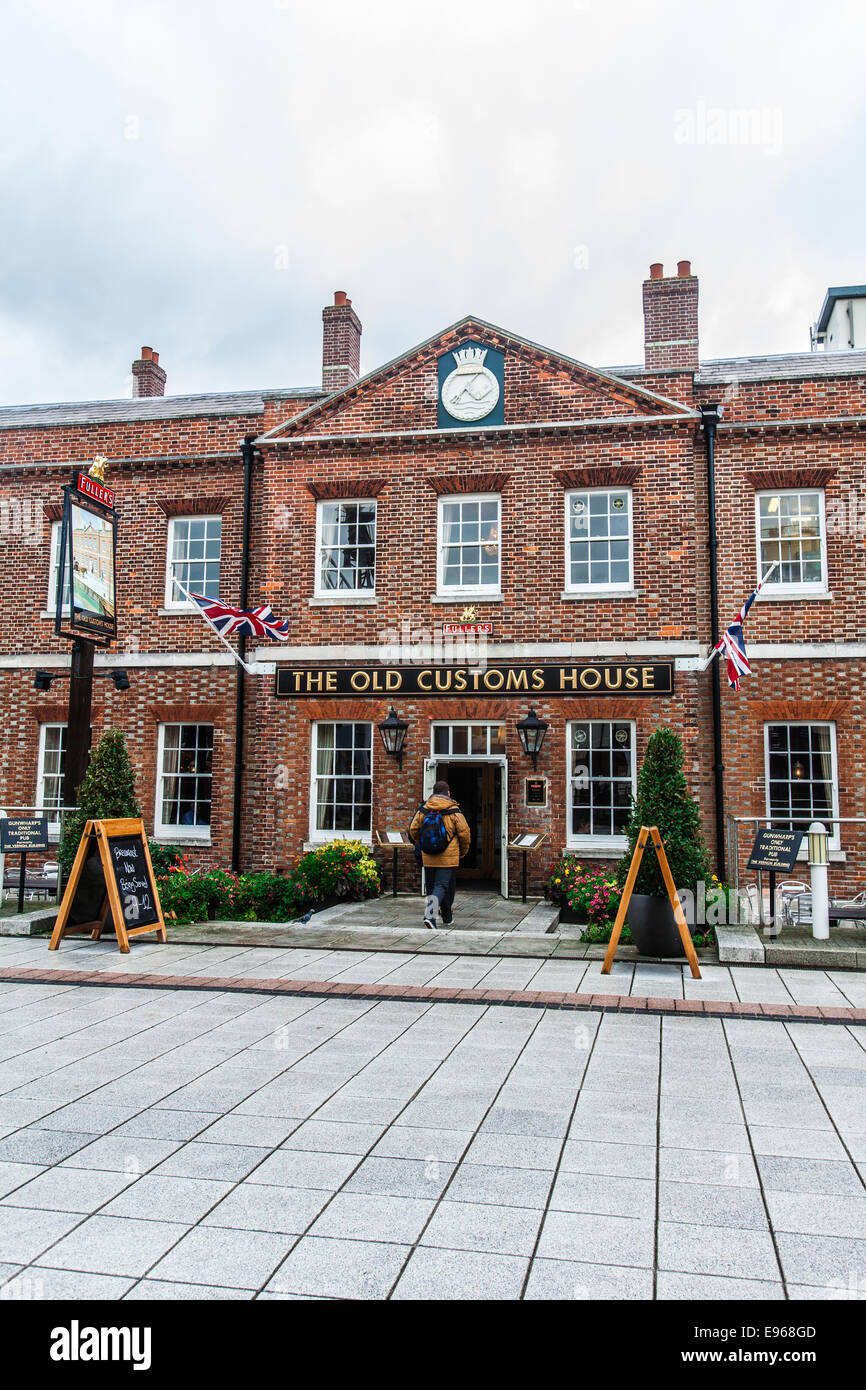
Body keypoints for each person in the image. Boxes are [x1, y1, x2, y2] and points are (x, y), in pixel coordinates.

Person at [409, 779, 471, 930]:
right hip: (448, 855)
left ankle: (447, 918)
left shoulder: (424, 809)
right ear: (448, 793)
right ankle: (430, 916)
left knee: (433, 887)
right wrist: (462, 852)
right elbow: (464, 834)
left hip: (428, 854)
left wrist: (423, 844)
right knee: (442, 886)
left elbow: (412, 830)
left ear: (434, 792)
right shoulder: (454, 810)